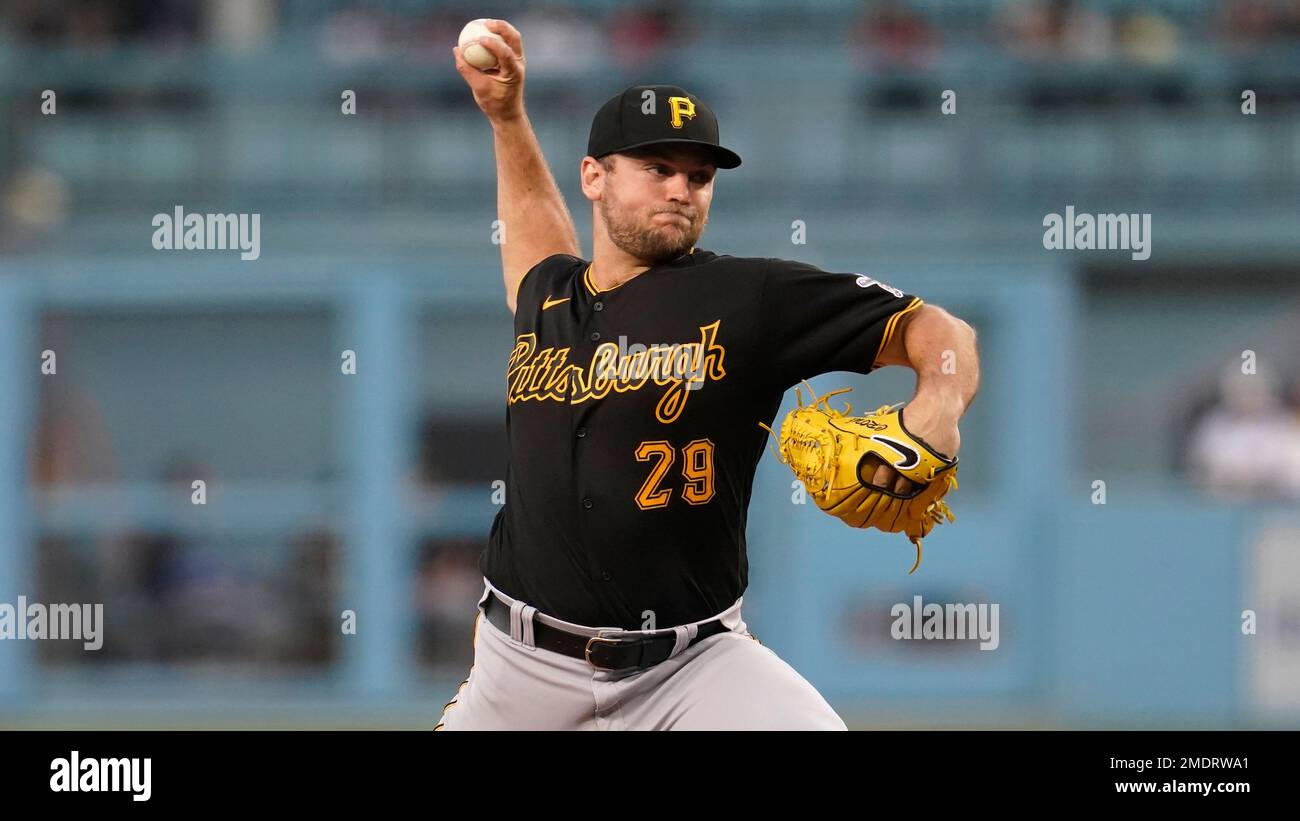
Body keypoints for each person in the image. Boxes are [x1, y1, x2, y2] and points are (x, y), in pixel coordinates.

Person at [438, 19, 980, 730]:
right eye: (657, 168)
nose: (682, 189)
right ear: (593, 177)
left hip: (690, 667)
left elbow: (939, 331)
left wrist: (935, 410)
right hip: (521, 671)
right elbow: (538, 240)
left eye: (698, 176)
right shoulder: (550, 299)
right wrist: (506, 117)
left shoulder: (747, 297)